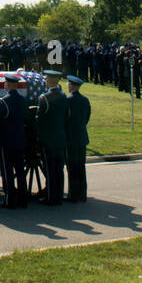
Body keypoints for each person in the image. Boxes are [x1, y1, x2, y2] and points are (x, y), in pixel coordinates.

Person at [0, 72, 28, 208]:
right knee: (20, 170)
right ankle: (22, 198)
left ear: (7, 85)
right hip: (20, 139)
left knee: (7, 171)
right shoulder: (23, 100)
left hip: (7, 140)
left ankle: (9, 199)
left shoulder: (3, 101)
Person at [35, 70, 69, 205]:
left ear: (50, 81)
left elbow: (39, 120)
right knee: (59, 168)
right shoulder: (63, 96)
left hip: (48, 138)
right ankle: (58, 195)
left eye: (46, 78)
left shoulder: (44, 98)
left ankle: (50, 197)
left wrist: (39, 136)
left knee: (49, 168)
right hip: (60, 137)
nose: (45, 81)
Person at [65, 74, 91, 203]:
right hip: (82, 136)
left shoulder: (68, 101)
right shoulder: (85, 100)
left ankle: (73, 194)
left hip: (71, 137)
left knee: (72, 167)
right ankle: (82, 194)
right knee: (81, 166)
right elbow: (86, 117)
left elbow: (65, 119)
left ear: (72, 86)